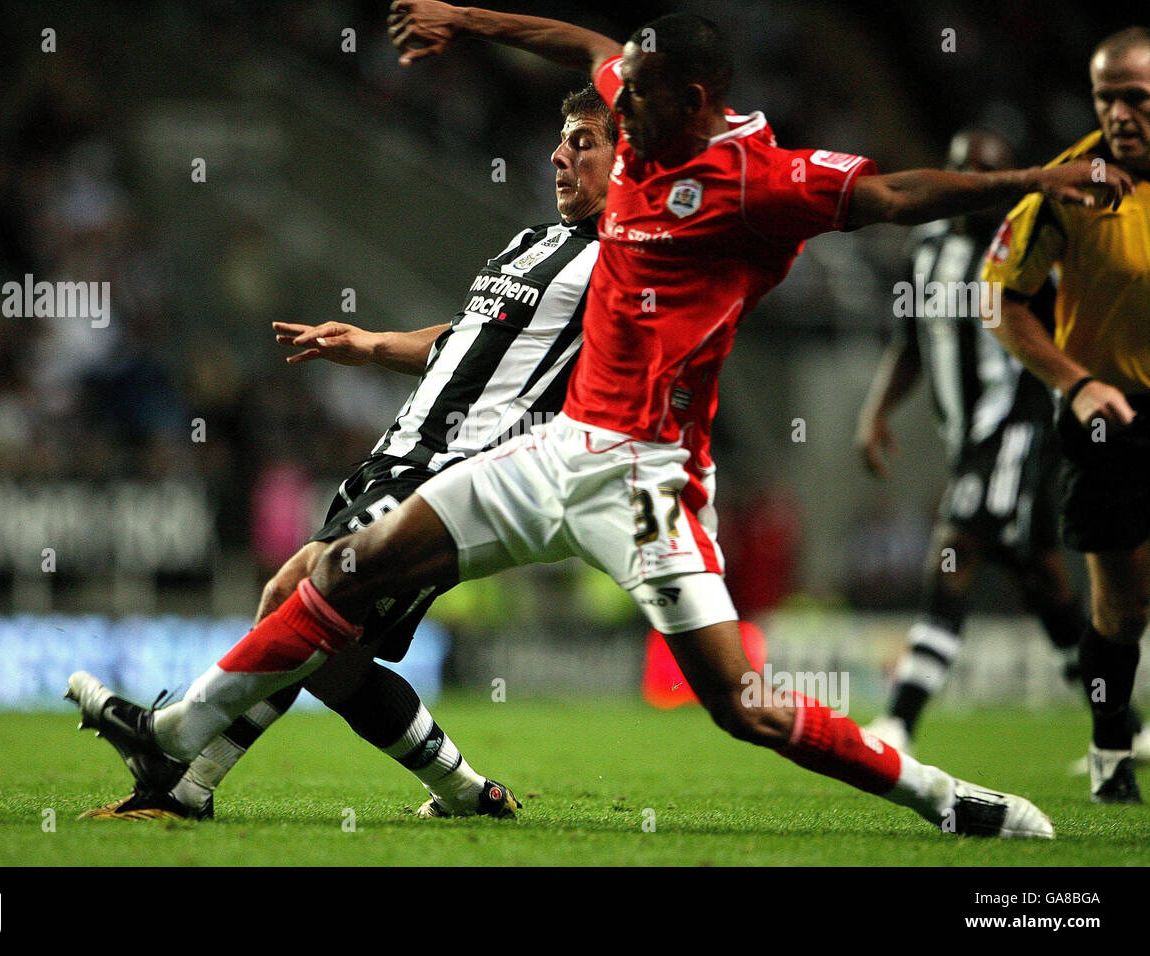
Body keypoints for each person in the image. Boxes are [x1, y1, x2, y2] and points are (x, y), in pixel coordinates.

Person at [69, 3, 1131, 838]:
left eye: (644, 105)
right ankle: (174, 737)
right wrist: (469, 22)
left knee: (742, 705)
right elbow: (584, 43)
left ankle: (947, 796)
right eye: (622, 101)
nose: (621, 121)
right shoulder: (636, 105)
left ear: (700, 97)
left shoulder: (762, 182)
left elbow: (894, 197)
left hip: (648, 482)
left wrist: (1033, 177)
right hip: (552, 449)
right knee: (341, 570)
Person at [81, 83, 617, 820]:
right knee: (331, 659)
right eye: (561, 139)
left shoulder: (624, 268)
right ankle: (466, 794)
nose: (559, 155)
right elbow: (464, 340)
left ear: (631, 164)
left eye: (583, 142)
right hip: (394, 457)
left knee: (295, 595)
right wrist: (370, 346)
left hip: (452, 479)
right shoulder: (532, 244)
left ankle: (179, 772)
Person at [855, 129, 1138, 756]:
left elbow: (1068, 331)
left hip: (1018, 425)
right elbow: (910, 341)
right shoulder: (924, 248)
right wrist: (875, 413)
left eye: (985, 172)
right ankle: (1124, 724)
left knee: (954, 550)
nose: (973, 184)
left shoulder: (1025, 251)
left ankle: (899, 720)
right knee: (1041, 578)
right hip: (964, 435)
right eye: (961, 169)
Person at [983, 26, 1150, 804]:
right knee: (1122, 603)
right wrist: (1074, 382)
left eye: (1136, 98)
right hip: (1108, 410)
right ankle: (1111, 752)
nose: (1119, 113)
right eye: (1106, 97)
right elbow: (1000, 300)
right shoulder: (1067, 183)